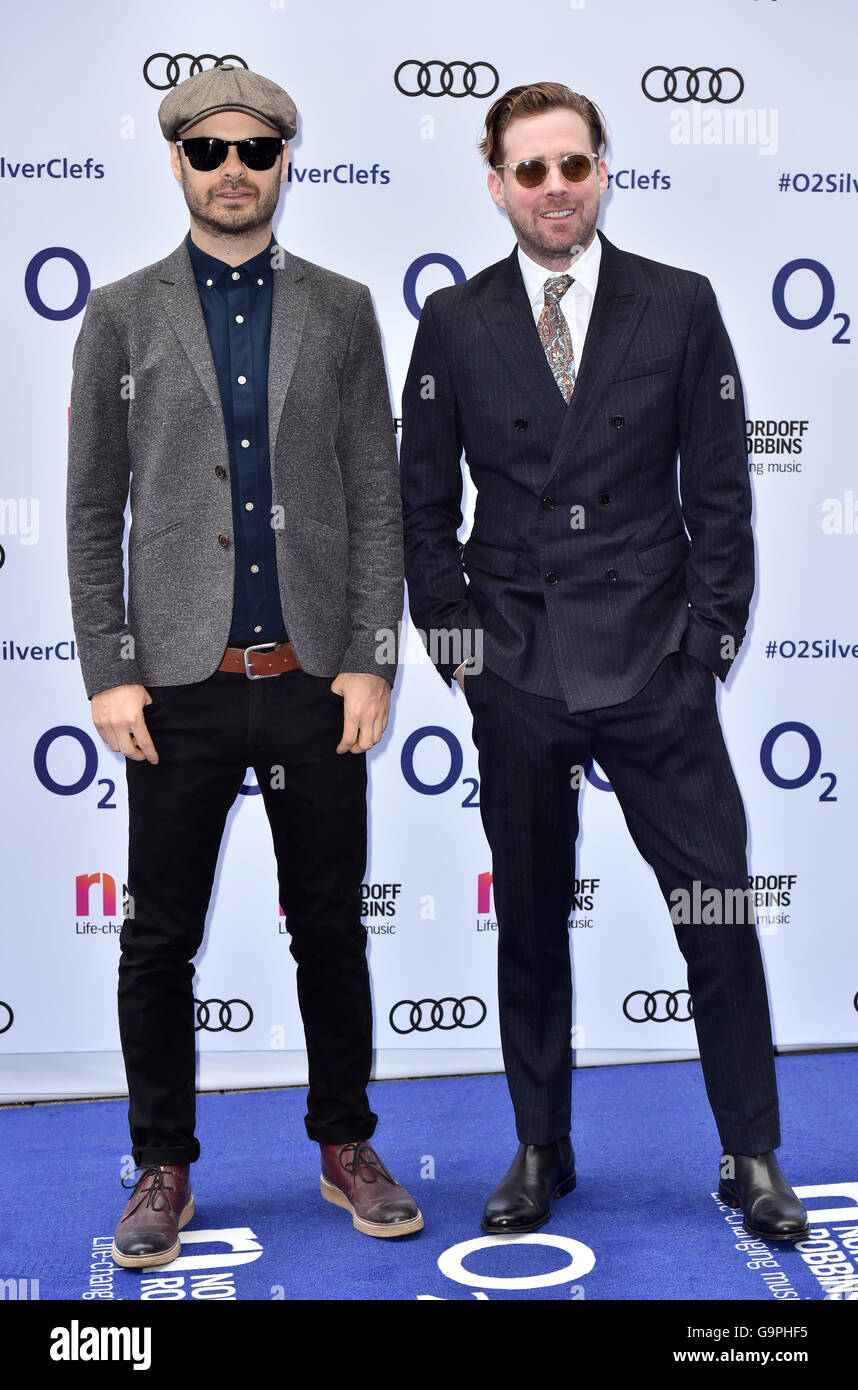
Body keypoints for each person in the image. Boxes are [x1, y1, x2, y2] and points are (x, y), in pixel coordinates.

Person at [400, 81, 808, 1240]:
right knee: (529, 920)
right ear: (497, 187)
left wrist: (704, 648)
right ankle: (540, 1146)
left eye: (572, 165)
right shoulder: (455, 321)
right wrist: (466, 660)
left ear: (602, 171)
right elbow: (423, 511)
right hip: (520, 669)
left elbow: (721, 494)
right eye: (530, 172)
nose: (555, 189)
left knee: (719, 910)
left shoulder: (678, 306)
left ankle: (753, 1152)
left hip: (655, 667)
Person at [66, 64, 422, 1267]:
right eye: (209, 149)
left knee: (330, 925)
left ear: (285, 162)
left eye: (255, 149)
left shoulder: (344, 307)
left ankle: (345, 1146)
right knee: (158, 938)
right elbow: (87, 507)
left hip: (315, 680)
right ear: (176, 161)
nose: (232, 169)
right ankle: (162, 1164)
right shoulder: (118, 313)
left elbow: (378, 495)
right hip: (175, 686)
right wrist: (109, 667)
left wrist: (371, 658)